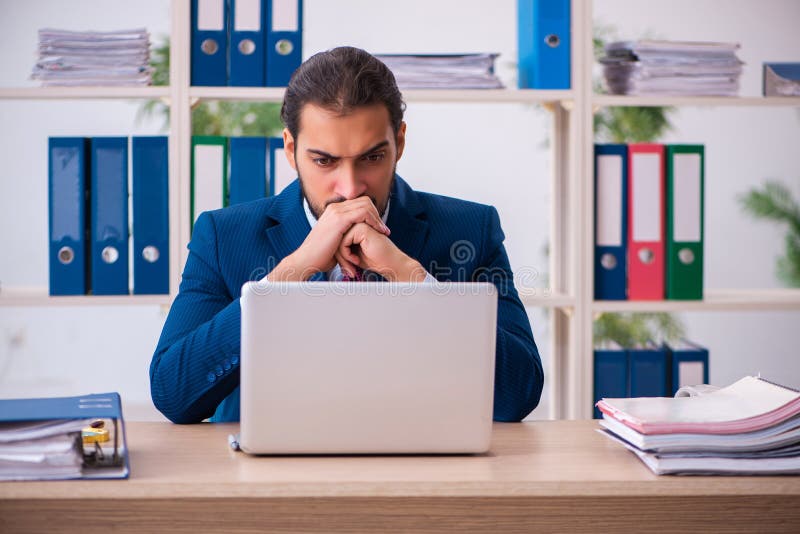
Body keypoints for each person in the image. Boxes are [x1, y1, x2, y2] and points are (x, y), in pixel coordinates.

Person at [150, 46, 544, 424]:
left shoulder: (471, 230)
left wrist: (413, 279)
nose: (350, 187)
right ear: (291, 150)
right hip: (270, 481)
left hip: (424, 475)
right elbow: (173, 394)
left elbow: (518, 395)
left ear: (399, 143)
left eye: (371, 158)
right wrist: (291, 273)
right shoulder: (224, 236)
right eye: (324, 161)